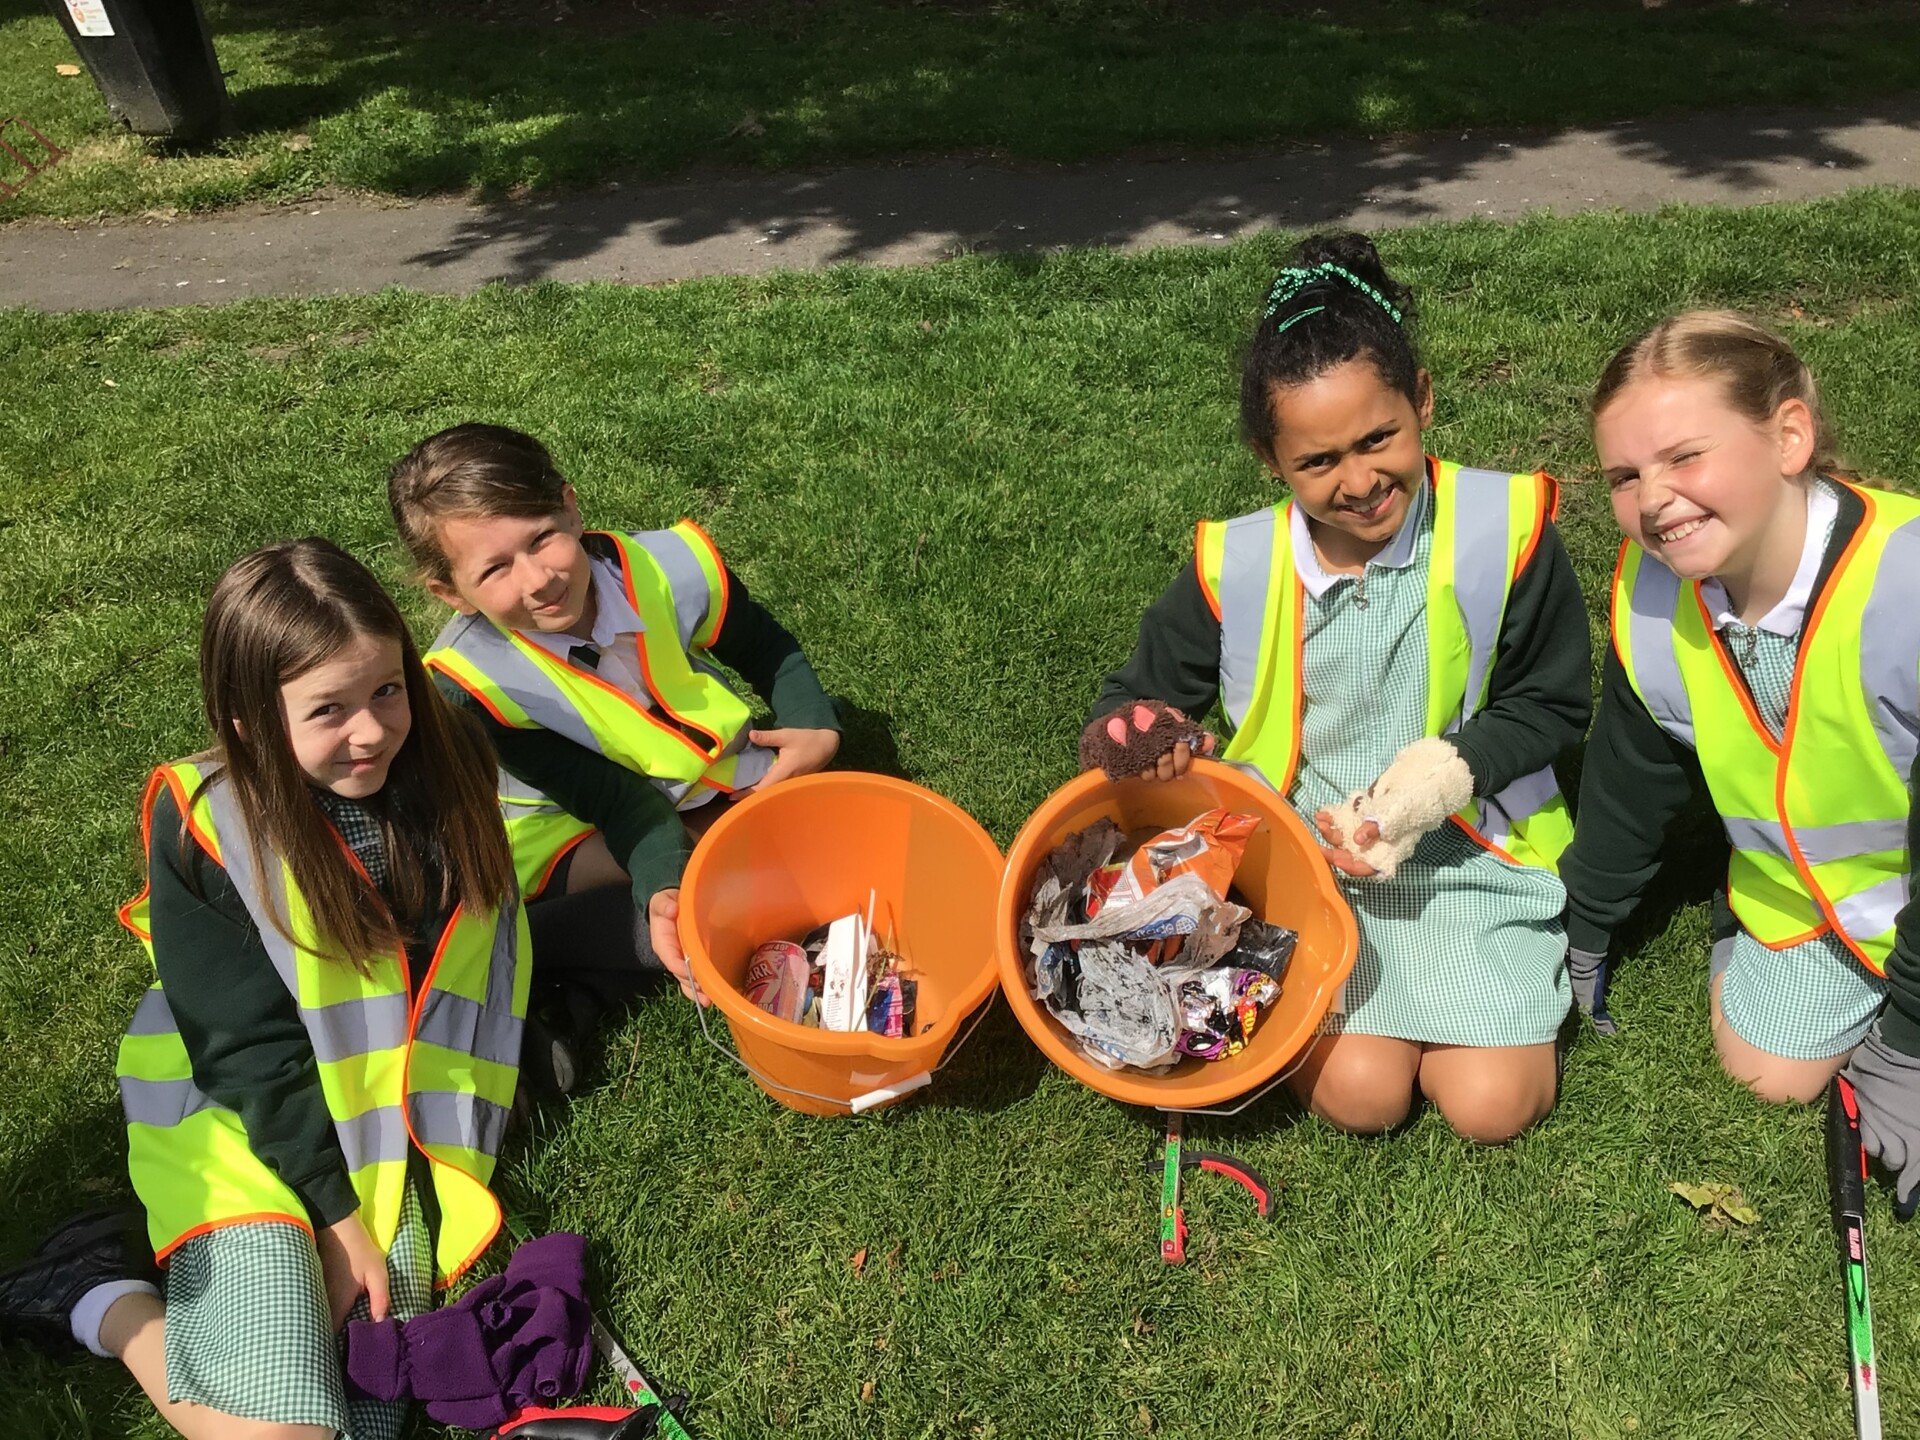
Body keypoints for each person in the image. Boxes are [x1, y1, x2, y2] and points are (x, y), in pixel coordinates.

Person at [0, 539, 530, 1440]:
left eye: (387, 690)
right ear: (248, 724)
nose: (372, 731)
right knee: (286, 1429)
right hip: (238, 1120)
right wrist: (336, 1217)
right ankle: (101, 1298)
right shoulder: (206, 822)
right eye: (328, 710)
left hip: (376, 1130)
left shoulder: (445, 759)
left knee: (368, 1411)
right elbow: (245, 1049)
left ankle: (106, 1289)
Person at [1085, 233, 1590, 1143]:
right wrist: (1141, 734)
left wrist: (1440, 780)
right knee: (1365, 1097)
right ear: (1269, 458)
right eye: (1318, 463)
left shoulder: (1504, 526)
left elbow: (1551, 704)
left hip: (1471, 844)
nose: (1359, 482)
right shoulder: (1237, 560)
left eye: (1379, 439)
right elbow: (1132, 701)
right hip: (1306, 855)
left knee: (1491, 1106)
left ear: (1422, 399)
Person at [1561, 311, 1920, 1201]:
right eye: (1624, 476)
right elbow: (1631, 776)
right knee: (1767, 1074)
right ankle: (1745, 926)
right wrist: (1585, 925)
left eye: (1685, 456)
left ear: (1790, 437)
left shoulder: (1907, 586)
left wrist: (1908, 1043)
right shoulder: (1652, 590)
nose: (1653, 499)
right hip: (1804, 898)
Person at [387, 423, 840, 1062]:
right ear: (450, 594)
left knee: (798, 834)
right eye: (494, 569)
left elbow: (767, 647)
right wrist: (662, 886)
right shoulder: (472, 684)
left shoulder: (667, 567)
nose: (537, 579)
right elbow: (611, 800)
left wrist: (815, 725)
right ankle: (526, 948)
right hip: (561, 829)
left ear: (571, 508)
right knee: (719, 892)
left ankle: (586, 981)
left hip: (686, 787)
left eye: (541, 538)